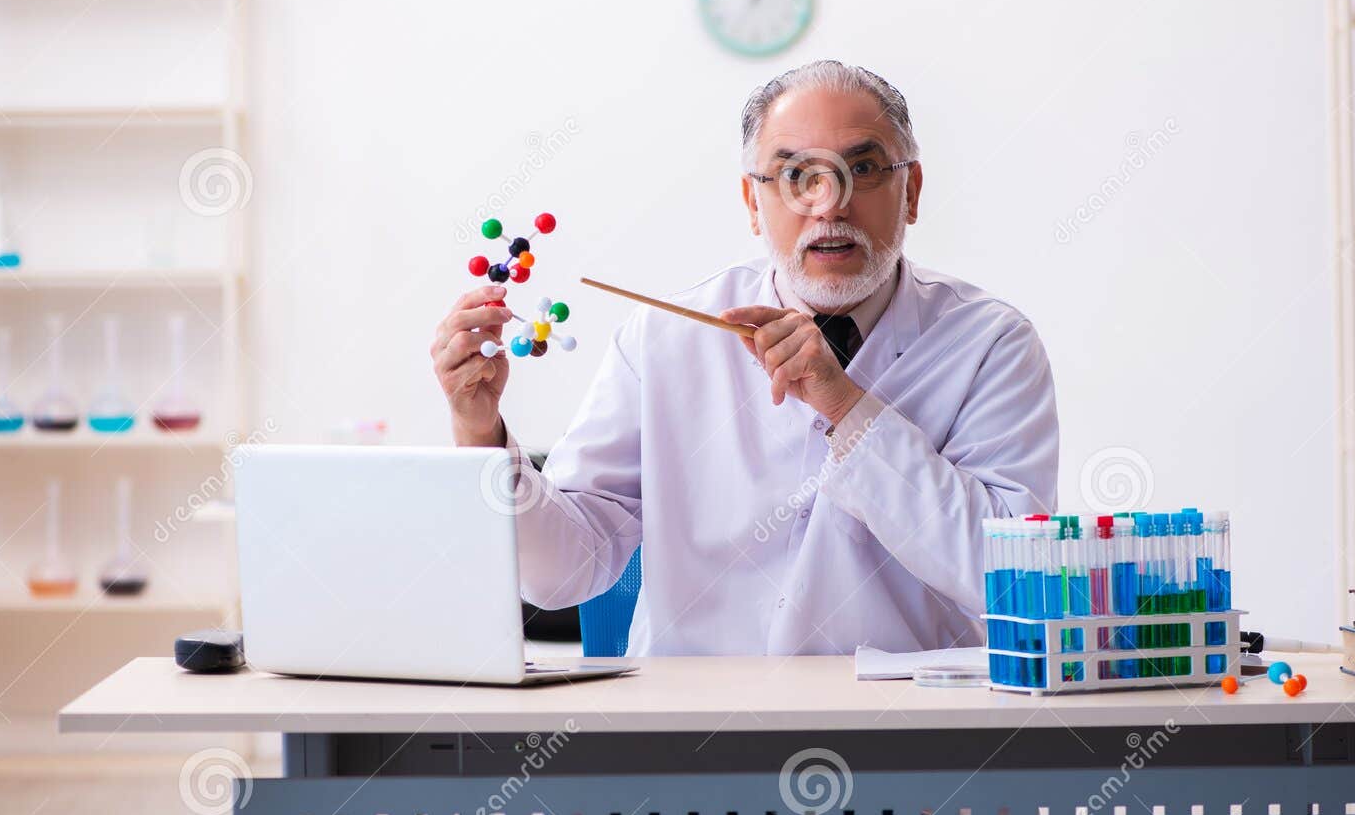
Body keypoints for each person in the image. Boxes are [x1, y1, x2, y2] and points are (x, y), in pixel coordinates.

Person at [431, 60, 1058, 655]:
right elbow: (562, 575)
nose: (828, 203)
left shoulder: (990, 346)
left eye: (861, 169)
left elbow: (1007, 580)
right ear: (752, 202)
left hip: (906, 732)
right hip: (690, 732)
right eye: (794, 175)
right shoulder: (664, 339)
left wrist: (844, 405)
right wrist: (481, 432)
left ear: (912, 190)